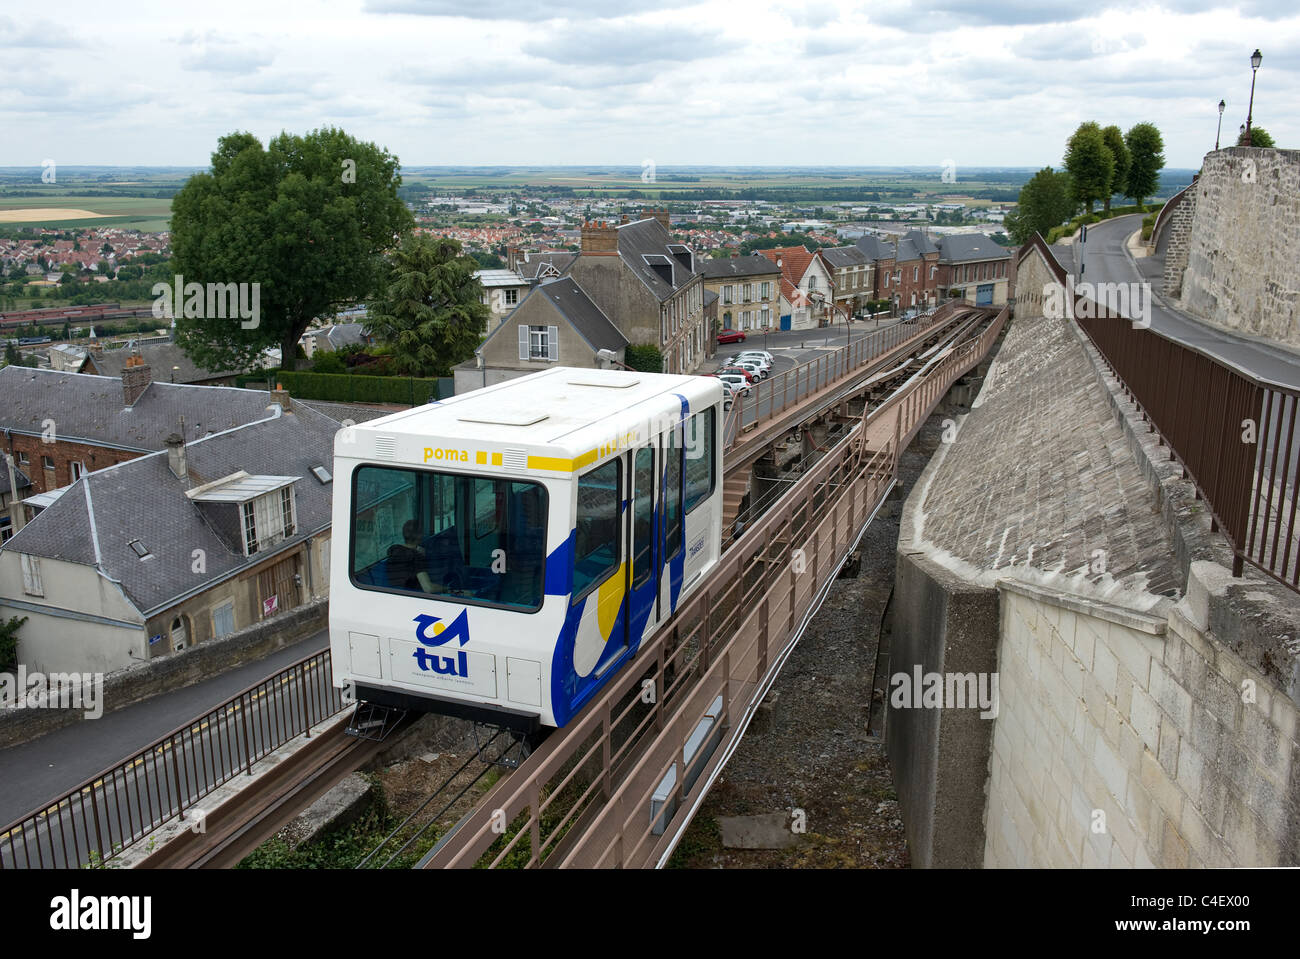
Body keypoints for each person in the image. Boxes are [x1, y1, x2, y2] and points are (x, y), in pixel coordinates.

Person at [387, 520, 434, 593]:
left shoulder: (393, 551)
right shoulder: (417, 557)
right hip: (414, 596)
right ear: (420, 536)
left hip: (393, 594)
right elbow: (428, 588)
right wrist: (445, 588)